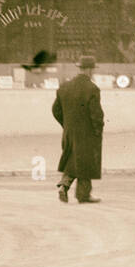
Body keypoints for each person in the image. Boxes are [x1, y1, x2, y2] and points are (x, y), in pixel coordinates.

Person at [52, 55, 105, 204]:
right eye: (92, 70)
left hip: (69, 131)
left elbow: (56, 110)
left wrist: (66, 124)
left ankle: (64, 185)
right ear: (89, 70)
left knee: (72, 159)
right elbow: (96, 115)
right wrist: (98, 131)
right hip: (87, 133)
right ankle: (83, 195)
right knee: (85, 162)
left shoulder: (65, 87)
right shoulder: (92, 88)